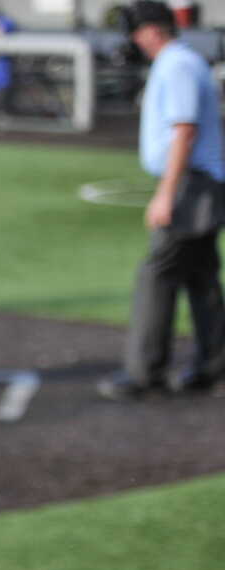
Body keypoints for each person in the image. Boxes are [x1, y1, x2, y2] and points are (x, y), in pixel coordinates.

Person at [99, 0, 225, 400]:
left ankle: (144, 371)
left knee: (157, 273)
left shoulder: (178, 64)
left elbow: (184, 131)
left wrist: (166, 193)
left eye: (137, 31)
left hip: (192, 184)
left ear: (152, 30)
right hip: (200, 182)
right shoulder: (180, 62)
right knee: (200, 276)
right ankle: (213, 368)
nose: (134, 40)